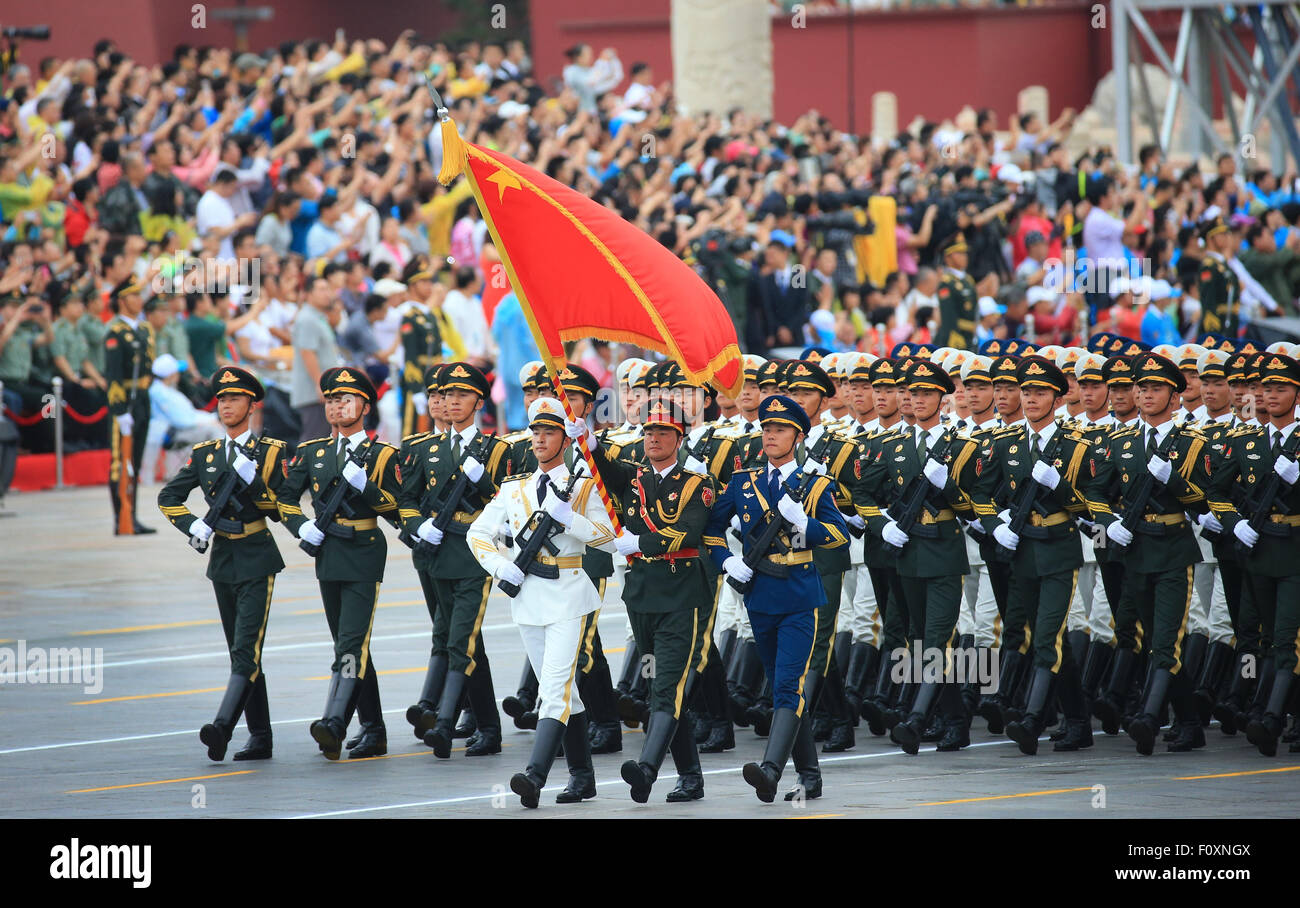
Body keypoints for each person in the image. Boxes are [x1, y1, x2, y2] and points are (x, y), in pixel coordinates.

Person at [468, 396, 618, 807]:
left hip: (568, 595)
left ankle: (534, 776)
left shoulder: (584, 486)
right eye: (535, 432)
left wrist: (572, 519)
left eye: (549, 432)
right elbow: (478, 534)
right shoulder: (514, 488)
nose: (539, 439)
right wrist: (501, 567)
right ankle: (583, 777)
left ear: (565, 441)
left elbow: (610, 538)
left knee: (553, 691)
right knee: (565, 691)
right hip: (528, 597)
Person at [704, 394, 849, 802]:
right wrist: (726, 562)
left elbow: (840, 538)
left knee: (787, 684)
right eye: (766, 429)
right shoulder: (743, 482)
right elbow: (712, 529)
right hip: (760, 596)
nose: (770, 435)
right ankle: (811, 776)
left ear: (798, 436)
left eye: (780, 430)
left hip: (800, 596)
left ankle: (770, 770)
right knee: (787, 688)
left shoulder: (815, 484)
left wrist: (807, 522)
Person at [1082, 353, 1213, 754]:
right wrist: (1110, 521)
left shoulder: (1191, 442)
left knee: (1167, 639)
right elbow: (1094, 492)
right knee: (1155, 638)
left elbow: (1205, 501)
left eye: (1156, 388)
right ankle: (1190, 722)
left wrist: (1171, 479)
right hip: (1133, 549)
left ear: (1175, 397)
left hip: (1173, 547)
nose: (1146, 394)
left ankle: (1149, 717)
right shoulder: (1118, 442)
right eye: (1142, 388)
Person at [157, 366, 287, 762]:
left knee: (246, 649)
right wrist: (192, 524)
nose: (226, 405)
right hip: (223, 559)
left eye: (234, 399)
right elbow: (168, 497)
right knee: (241, 652)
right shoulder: (206, 455)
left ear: (251, 404)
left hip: (256, 554)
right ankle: (261, 737)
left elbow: (280, 510)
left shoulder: (270, 452)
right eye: (221, 400)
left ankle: (223, 727)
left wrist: (257, 484)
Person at [587, 397, 711, 803]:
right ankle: (691, 776)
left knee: (666, 688)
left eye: (663, 432)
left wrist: (639, 541)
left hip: (679, 597)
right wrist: (586, 440)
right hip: (641, 598)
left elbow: (687, 534)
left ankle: (647, 769)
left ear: (680, 436)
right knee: (665, 687)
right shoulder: (634, 478)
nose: (653, 438)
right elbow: (605, 467)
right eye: (648, 432)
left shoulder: (697, 483)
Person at [970, 355, 1095, 754]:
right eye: (1026, 392)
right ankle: (1077, 720)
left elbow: (1091, 507)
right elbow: (979, 494)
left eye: (1040, 393)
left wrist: (1060, 486)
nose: (1030, 399)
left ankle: (1031, 718)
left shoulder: (1073, 443)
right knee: (1041, 636)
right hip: (1021, 549)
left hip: (1058, 548)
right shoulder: (1005, 442)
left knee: (1047, 635)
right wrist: (997, 525)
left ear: (1057, 399)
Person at [858, 357, 983, 755]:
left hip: (943, 551)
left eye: (927, 393)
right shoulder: (891, 446)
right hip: (906, 552)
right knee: (917, 641)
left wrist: (949, 487)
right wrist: (882, 525)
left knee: (938, 639)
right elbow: (862, 494)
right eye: (912, 392)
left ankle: (916, 717)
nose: (918, 399)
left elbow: (974, 506)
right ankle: (954, 721)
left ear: (942, 397)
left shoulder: (959, 443)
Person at [277, 367, 402, 760]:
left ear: (365, 406)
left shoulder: (381, 455)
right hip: (328, 551)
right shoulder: (314, 453)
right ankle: (374, 729)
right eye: (330, 400)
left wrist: (369, 487)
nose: (336, 406)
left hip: (364, 549)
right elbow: (283, 498)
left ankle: (334, 720)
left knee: (350, 642)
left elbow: (400, 510)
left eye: (345, 399)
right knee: (350, 643)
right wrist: (301, 526)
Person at [397, 362, 511, 759]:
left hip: (473, 553)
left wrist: (482, 481)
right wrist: (417, 526)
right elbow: (406, 500)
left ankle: (444, 722)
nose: (452, 401)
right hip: (436, 551)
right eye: (447, 395)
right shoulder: (427, 449)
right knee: (458, 639)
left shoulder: (495, 449)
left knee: (462, 638)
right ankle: (488, 727)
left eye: (462, 395)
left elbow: (509, 502)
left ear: (478, 401)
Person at [1207, 352, 1300, 756]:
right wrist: (1233, 523)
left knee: (1287, 637)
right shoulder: (1245, 441)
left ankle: (1274, 717)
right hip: (1259, 548)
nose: (1272, 395)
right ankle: (1265, 707)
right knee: (1264, 636)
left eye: (1282, 388)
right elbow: (1217, 491)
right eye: (1267, 389)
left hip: (1295, 548)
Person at [104, 276, 156, 535]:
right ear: (122, 301)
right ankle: (120, 517)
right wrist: (120, 411)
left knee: (135, 459)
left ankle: (132, 516)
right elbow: (112, 376)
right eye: (133, 296)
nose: (139, 300)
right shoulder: (115, 333)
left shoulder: (144, 329)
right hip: (125, 401)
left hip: (143, 398)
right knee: (120, 462)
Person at [290, 274, 340, 443]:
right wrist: (320, 384)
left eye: (328, 289)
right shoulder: (307, 319)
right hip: (314, 392)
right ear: (308, 294)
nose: (327, 294)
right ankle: (300, 470)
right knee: (313, 441)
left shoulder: (318, 317)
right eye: (322, 289)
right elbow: (307, 352)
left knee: (323, 440)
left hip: (323, 390)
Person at [936, 233, 977, 350]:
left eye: (965, 253)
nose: (964, 257)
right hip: (955, 337)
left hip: (969, 336)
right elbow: (948, 315)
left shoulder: (968, 280)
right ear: (947, 257)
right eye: (959, 253)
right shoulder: (947, 283)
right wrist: (953, 336)